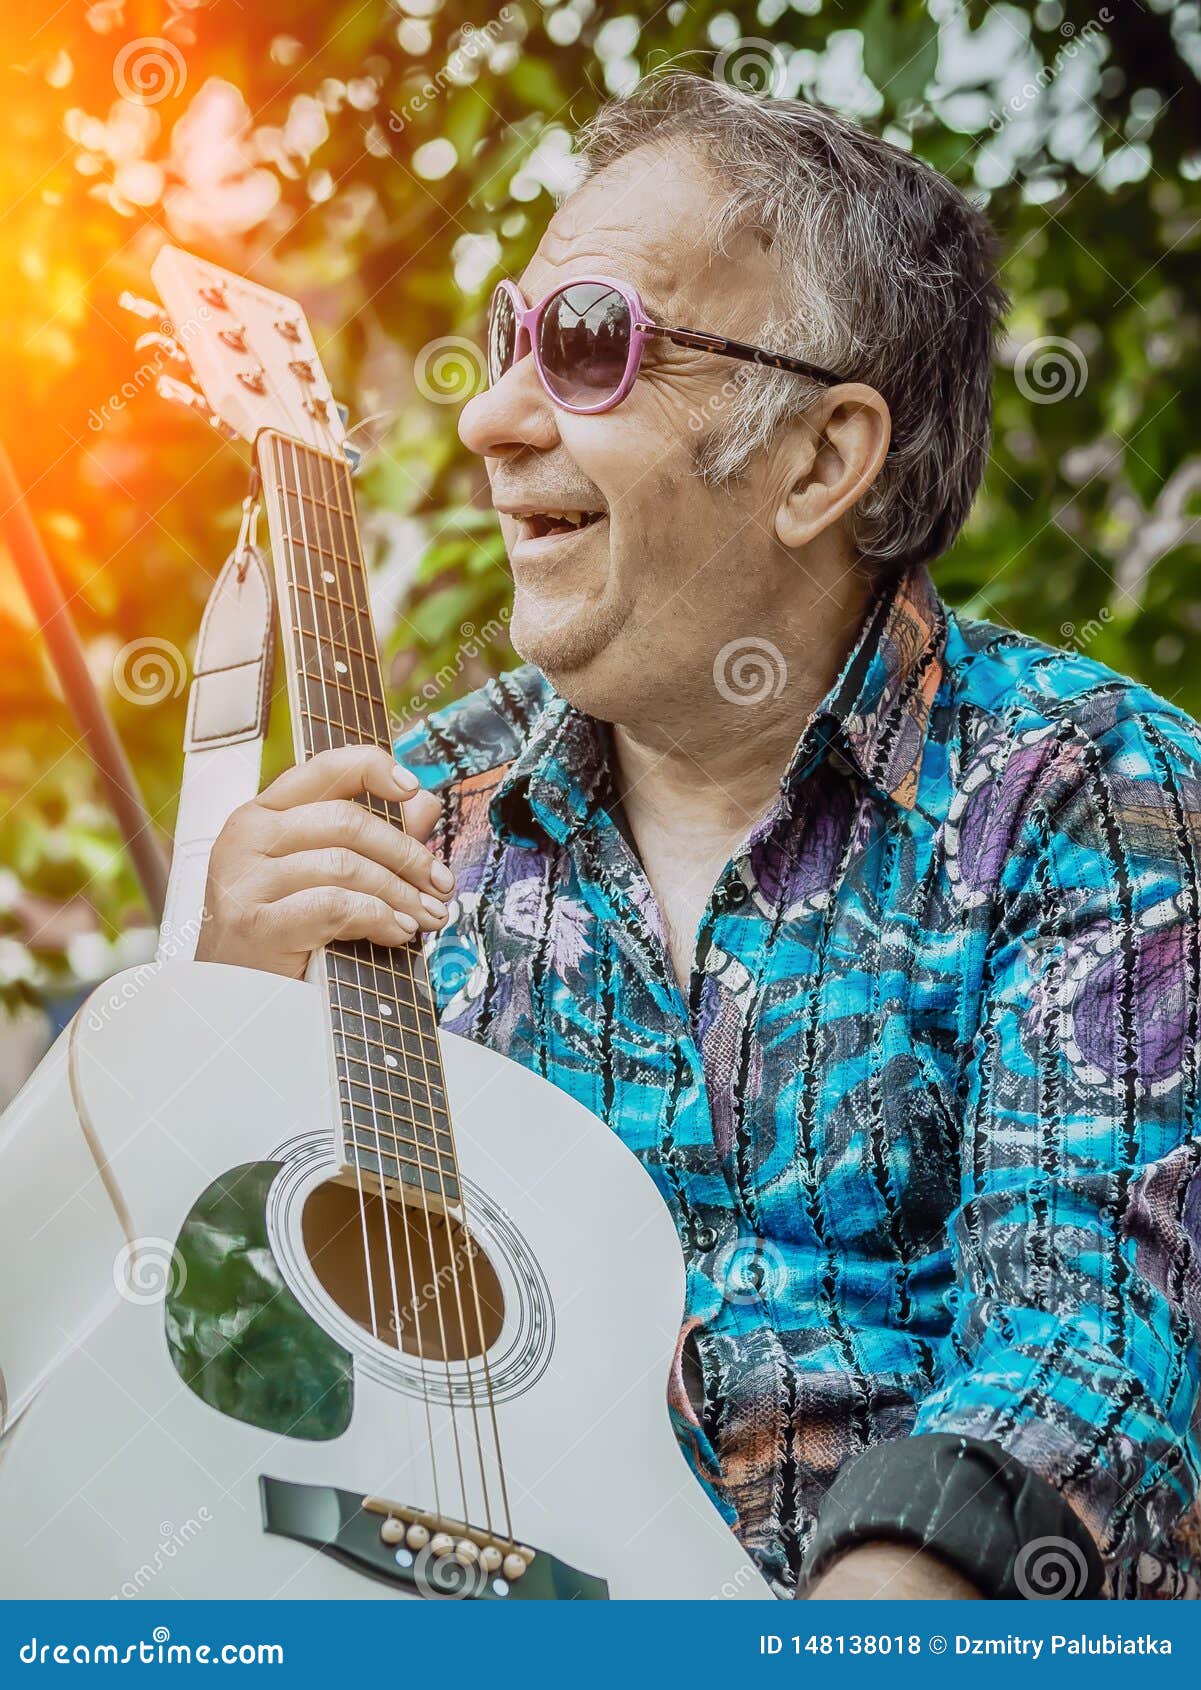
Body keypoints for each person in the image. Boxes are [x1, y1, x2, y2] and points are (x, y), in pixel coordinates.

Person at [197, 71, 1201, 1600]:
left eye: (589, 345)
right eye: (507, 340)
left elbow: (1082, 1363)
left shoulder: (1094, 791)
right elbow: (254, 1410)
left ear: (817, 459)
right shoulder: (403, 823)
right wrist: (216, 1051)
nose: (488, 418)